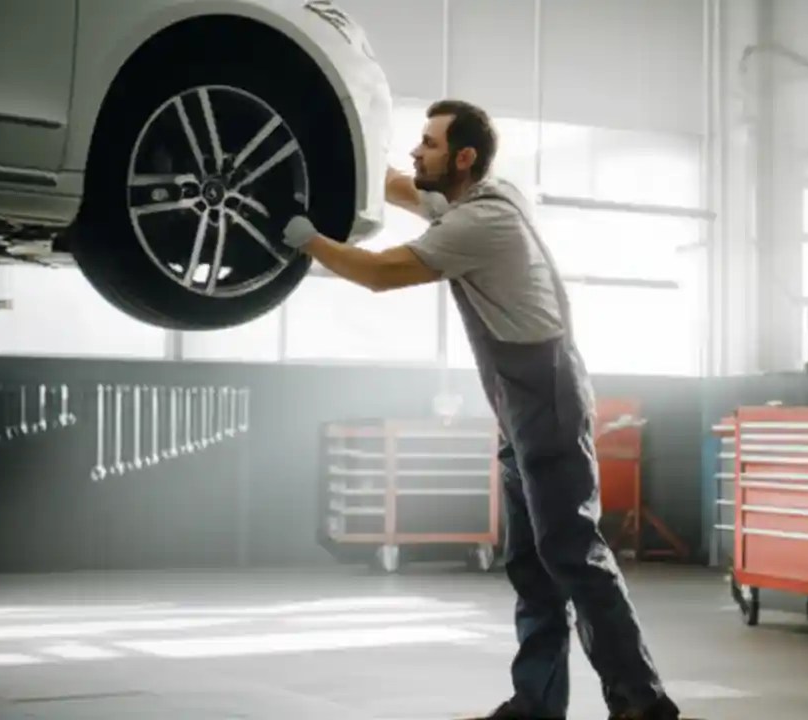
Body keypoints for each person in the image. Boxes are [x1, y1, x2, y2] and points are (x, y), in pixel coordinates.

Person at [280, 99, 686, 720]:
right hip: (517, 402)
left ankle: (643, 705)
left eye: (430, 143)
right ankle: (537, 703)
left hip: (545, 395)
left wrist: (309, 240)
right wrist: (330, 148)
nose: (417, 152)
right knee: (531, 562)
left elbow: (381, 273)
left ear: (463, 158)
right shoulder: (477, 196)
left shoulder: (480, 224)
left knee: (572, 552)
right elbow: (397, 184)